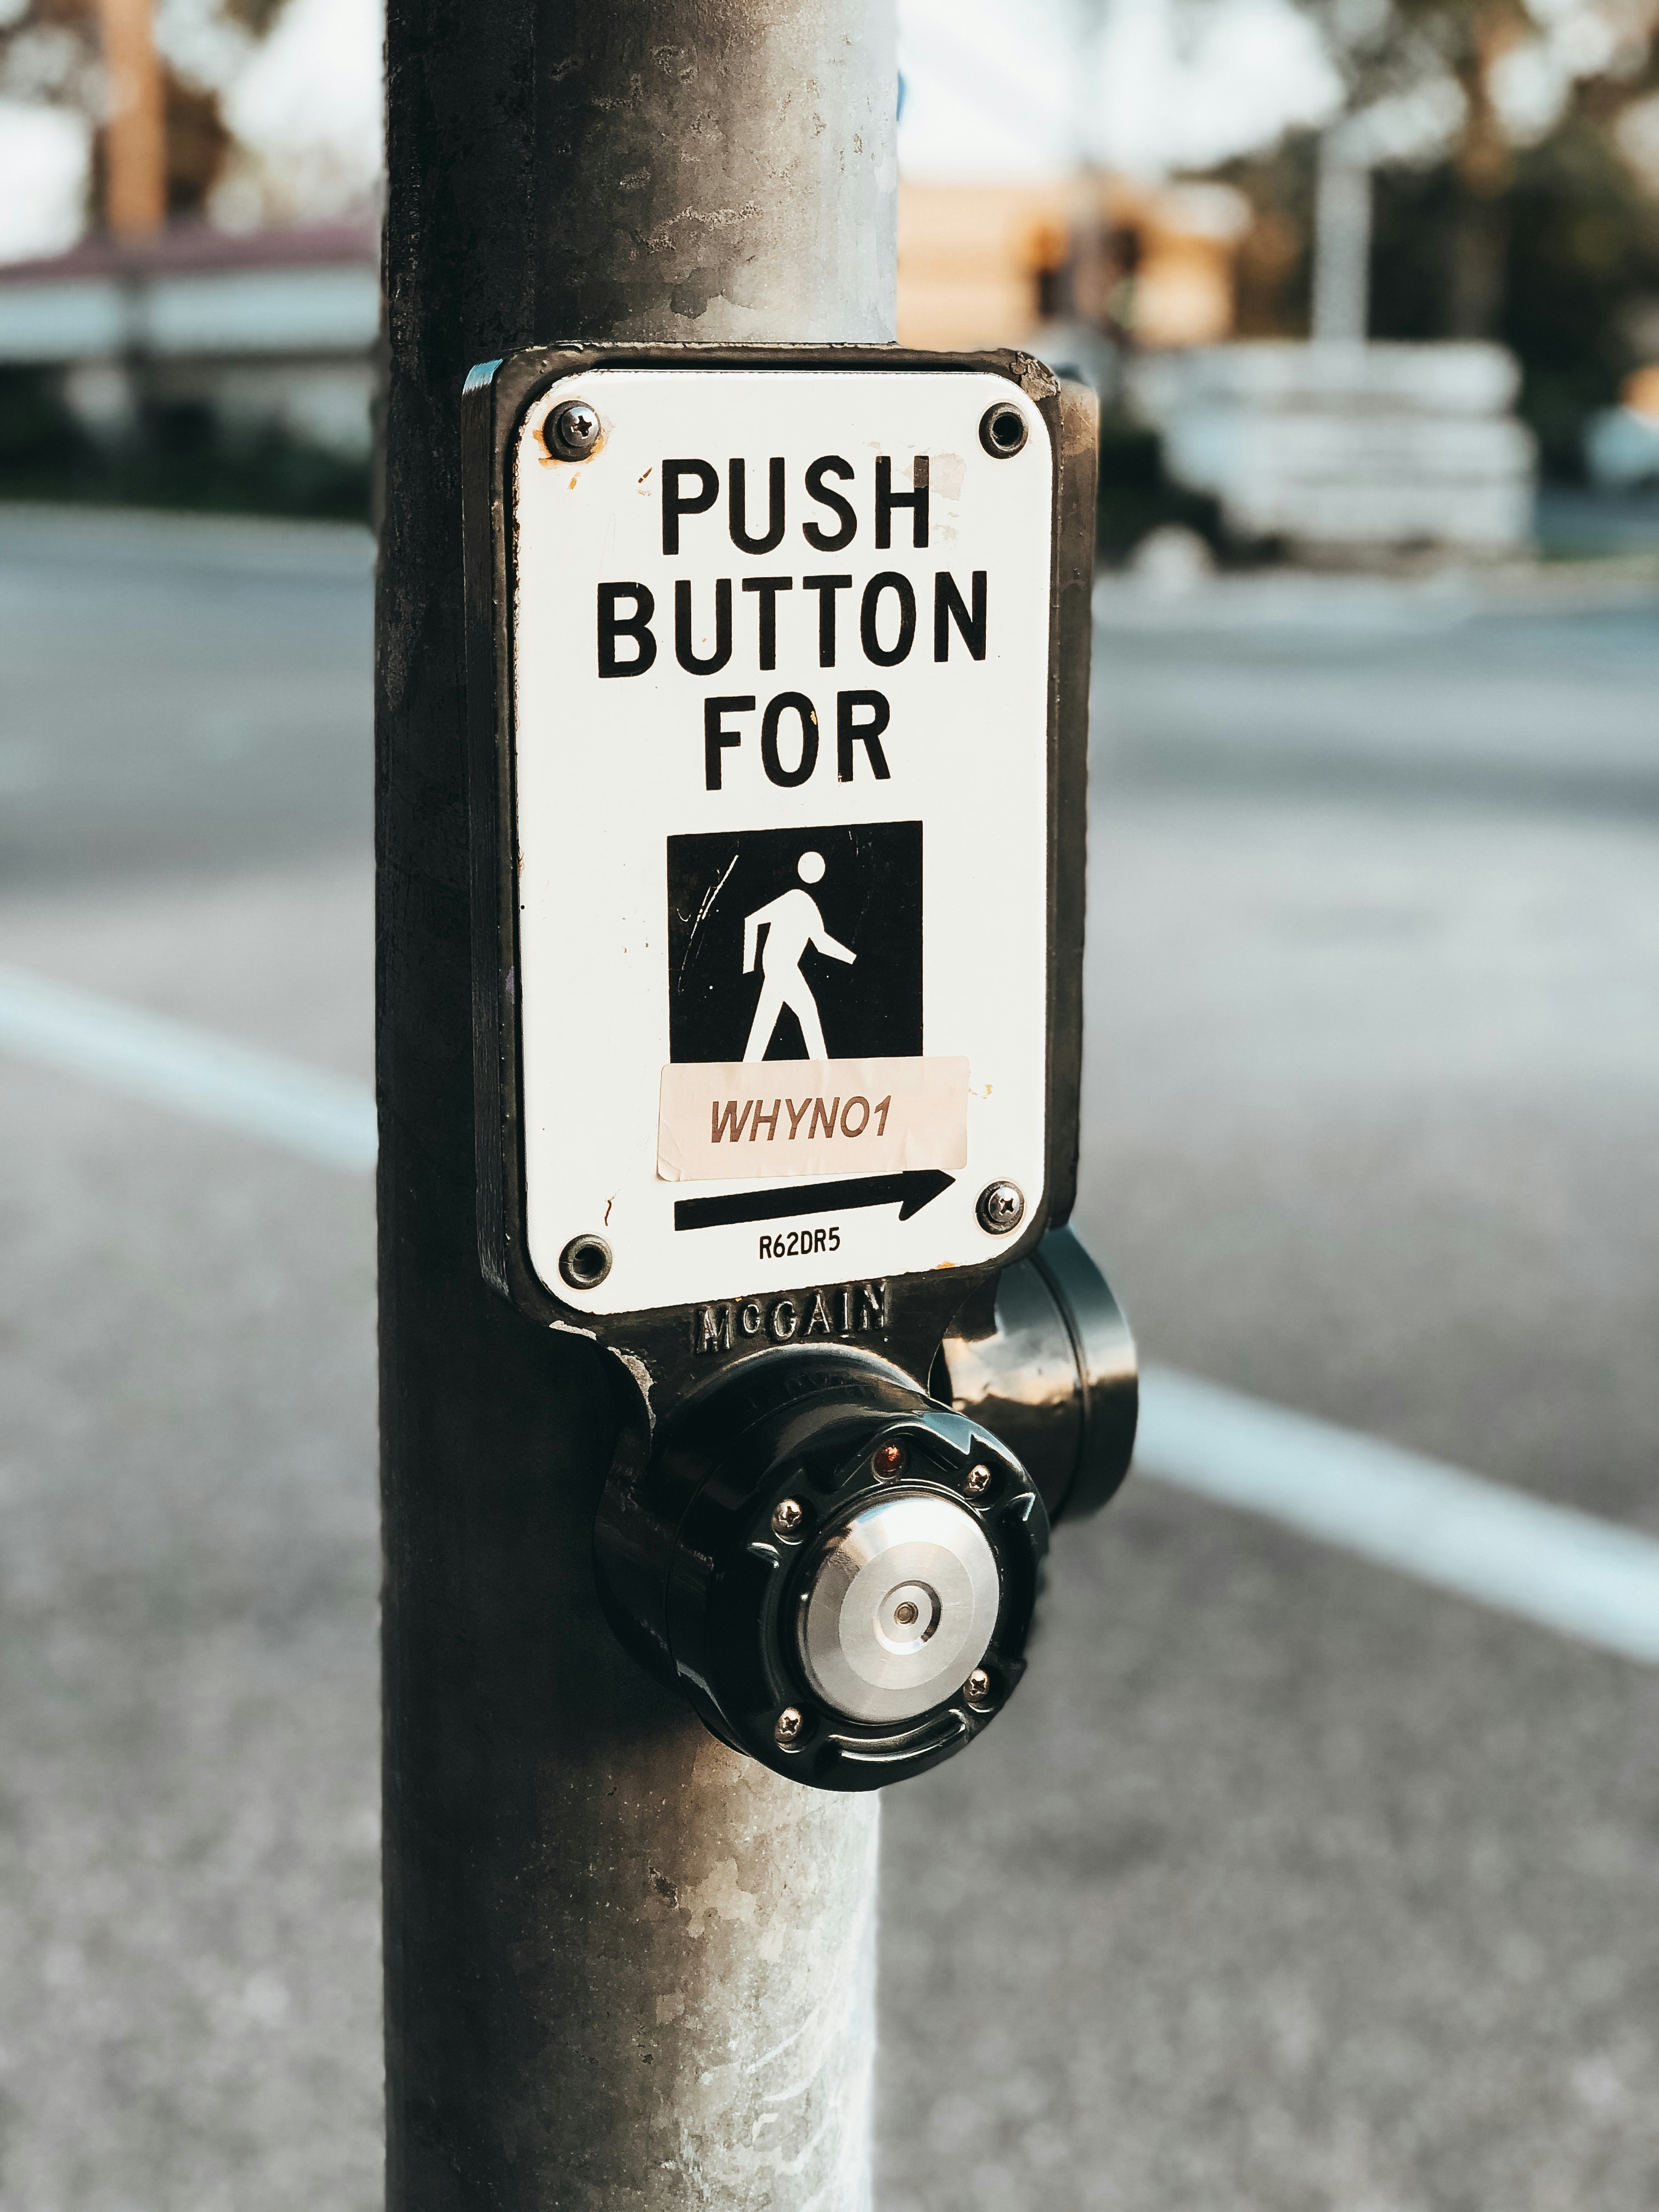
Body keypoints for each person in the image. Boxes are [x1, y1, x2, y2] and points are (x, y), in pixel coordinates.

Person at [741, 851, 855, 1061]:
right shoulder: (796, 898)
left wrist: (852, 959)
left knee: (768, 1021)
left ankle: (745, 1074)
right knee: (806, 1012)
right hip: (780, 967)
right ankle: (824, 1072)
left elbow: (821, 944)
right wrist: (748, 968)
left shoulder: (809, 906)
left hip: (781, 967)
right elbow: (752, 921)